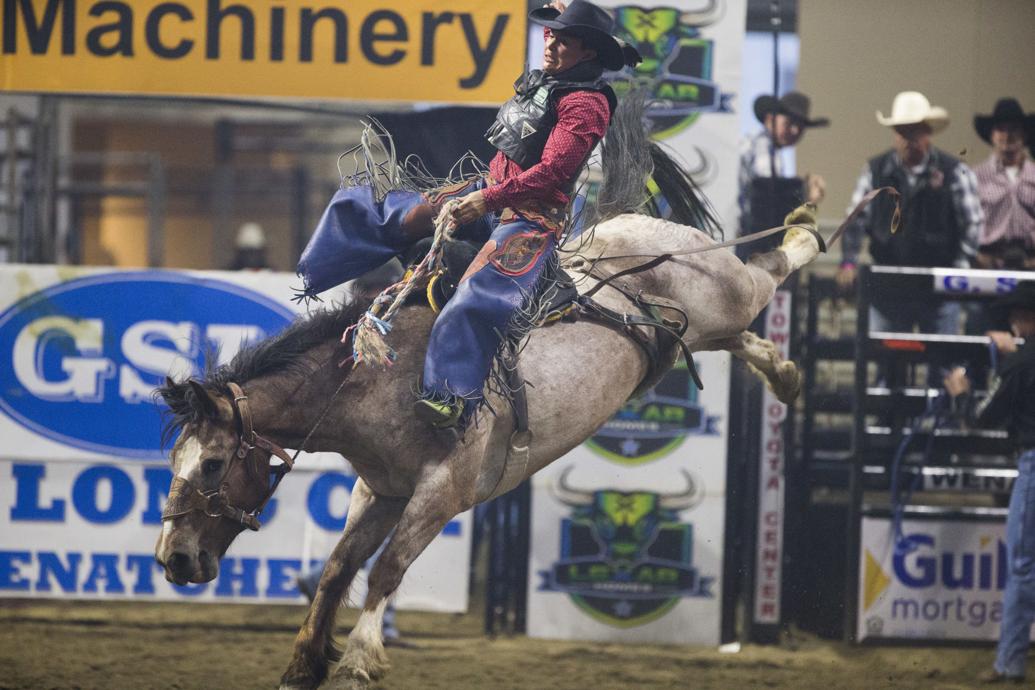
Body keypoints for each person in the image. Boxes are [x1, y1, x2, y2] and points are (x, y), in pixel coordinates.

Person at [296, 0, 637, 428]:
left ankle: (450, 397)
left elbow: (553, 173)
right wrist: (481, 195)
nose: (551, 44)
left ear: (588, 53)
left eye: (564, 40)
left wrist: (486, 200)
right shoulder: (545, 84)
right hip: (487, 192)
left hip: (528, 219)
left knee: (479, 297)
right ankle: (316, 270)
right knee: (402, 214)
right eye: (551, 34)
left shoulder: (586, 105)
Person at [943, 282, 1035, 684]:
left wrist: (961, 396)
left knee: (1023, 565)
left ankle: (1010, 663)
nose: (1013, 321)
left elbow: (982, 416)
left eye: (1017, 314)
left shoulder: (1020, 364)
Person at [837, 91, 984, 334]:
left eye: (914, 131)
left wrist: (958, 268)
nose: (908, 139)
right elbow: (855, 220)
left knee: (940, 363)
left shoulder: (954, 172)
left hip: (939, 288)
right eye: (902, 132)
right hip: (888, 287)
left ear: (928, 133)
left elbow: (972, 223)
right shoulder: (875, 171)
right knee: (887, 359)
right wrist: (848, 263)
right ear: (895, 135)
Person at [738, 91, 829, 244]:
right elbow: (768, 192)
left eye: (800, 127)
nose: (795, 131)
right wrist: (804, 192)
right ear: (769, 120)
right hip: (751, 238)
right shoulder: (763, 147)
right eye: (789, 123)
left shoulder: (762, 146)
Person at [972, 98, 1035, 271]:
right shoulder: (976, 177)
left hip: (1031, 263)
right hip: (988, 263)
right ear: (992, 135)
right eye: (1001, 129)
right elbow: (966, 225)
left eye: (1014, 129)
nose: (1008, 135)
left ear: (1025, 134)